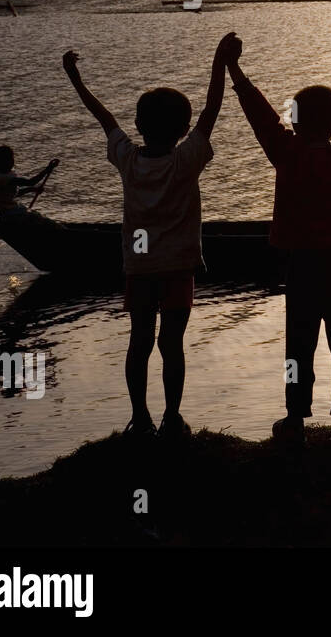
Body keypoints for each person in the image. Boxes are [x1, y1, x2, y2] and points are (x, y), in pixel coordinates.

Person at [62, 33, 237, 441]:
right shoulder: (187, 160)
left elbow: (102, 117)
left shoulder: (127, 159)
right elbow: (213, 109)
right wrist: (219, 61)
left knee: (139, 341)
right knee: (171, 344)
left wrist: (75, 77)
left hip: (139, 268)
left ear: (139, 125)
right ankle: (172, 418)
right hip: (178, 269)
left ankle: (140, 418)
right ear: (182, 128)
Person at [227, 26, 331, 446]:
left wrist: (235, 70)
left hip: (300, 265)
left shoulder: (286, 153)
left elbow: (260, 117)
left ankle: (294, 419)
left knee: (299, 344)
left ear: (294, 122)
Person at [0, 146, 58, 217]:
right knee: (34, 216)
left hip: (9, 210)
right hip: (7, 213)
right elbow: (30, 182)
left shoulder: (4, 175)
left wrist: (33, 189)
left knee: (33, 213)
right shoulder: (4, 178)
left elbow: (14, 193)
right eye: (9, 159)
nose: (12, 161)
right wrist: (47, 169)